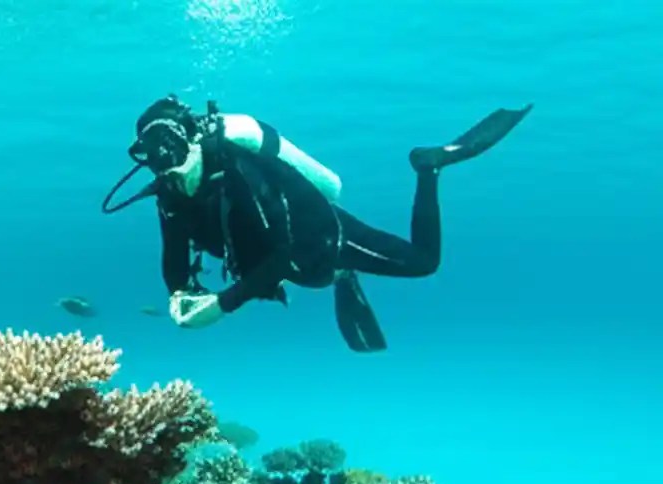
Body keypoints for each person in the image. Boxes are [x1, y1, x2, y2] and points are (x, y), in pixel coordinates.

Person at [101, 95, 532, 351]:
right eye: (156, 160)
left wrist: (221, 305)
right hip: (274, 265)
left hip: (322, 238)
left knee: (423, 262)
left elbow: (285, 251)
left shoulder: (237, 168)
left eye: (173, 151)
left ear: (193, 138)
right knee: (310, 280)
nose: (168, 168)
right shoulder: (171, 191)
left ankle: (429, 167)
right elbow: (174, 260)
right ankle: (343, 279)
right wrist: (177, 295)